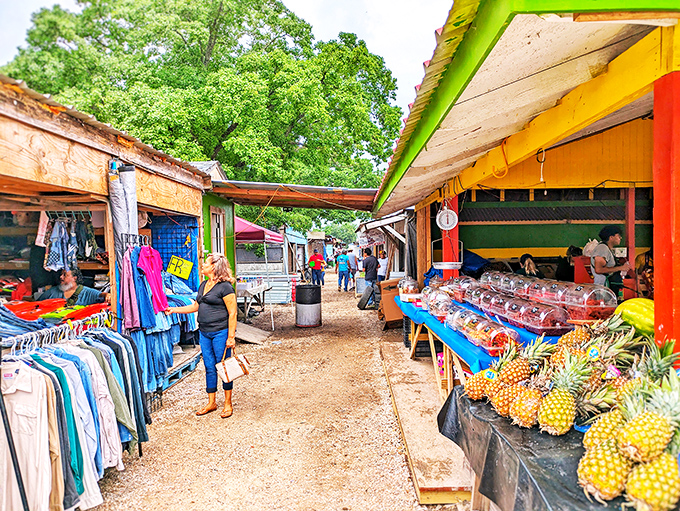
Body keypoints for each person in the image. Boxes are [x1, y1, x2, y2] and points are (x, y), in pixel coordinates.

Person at [165, 254, 238, 418]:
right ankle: (211, 402)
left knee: (224, 368)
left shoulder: (225, 287)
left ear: (214, 267)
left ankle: (228, 403)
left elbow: (232, 313)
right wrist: (173, 310)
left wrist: (231, 336)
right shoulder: (203, 284)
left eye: (206, 263)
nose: (202, 265)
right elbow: (195, 306)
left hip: (221, 332)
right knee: (209, 367)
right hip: (204, 333)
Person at [590, 225, 631, 295]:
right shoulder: (602, 248)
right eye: (618, 236)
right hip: (603, 288)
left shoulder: (607, 249)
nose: (620, 238)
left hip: (607, 288)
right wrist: (621, 268)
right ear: (611, 237)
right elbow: (599, 270)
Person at [37, 268, 110, 305]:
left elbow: (101, 295)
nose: (61, 277)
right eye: (61, 274)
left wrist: (107, 295)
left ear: (74, 278)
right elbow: (36, 305)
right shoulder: (52, 292)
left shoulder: (86, 292)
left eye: (65, 275)